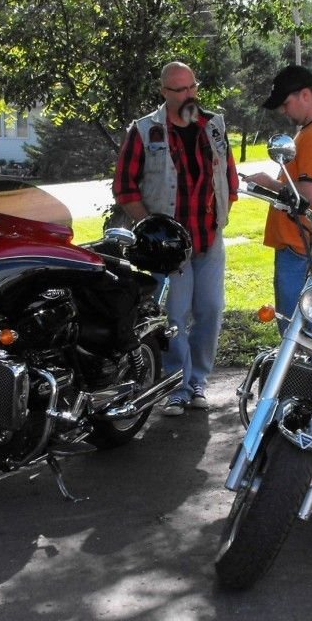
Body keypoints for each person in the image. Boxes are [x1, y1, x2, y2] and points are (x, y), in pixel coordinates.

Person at [113, 61, 238, 416]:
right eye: (179, 90)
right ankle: (176, 386)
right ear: (164, 92)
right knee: (174, 316)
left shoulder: (213, 125)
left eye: (192, 87)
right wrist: (153, 227)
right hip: (169, 248)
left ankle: (198, 381)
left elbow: (227, 173)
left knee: (211, 310)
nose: (188, 95)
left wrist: (223, 209)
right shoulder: (145, 130)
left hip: (208, 236)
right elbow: (124, 187)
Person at [246, 64, 312, 318]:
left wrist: (269, 182)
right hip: (304, 249)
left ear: (305, 95)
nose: (283, 110)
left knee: (295, 334)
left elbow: (309, 195)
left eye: (285, 103)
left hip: (304, 252)